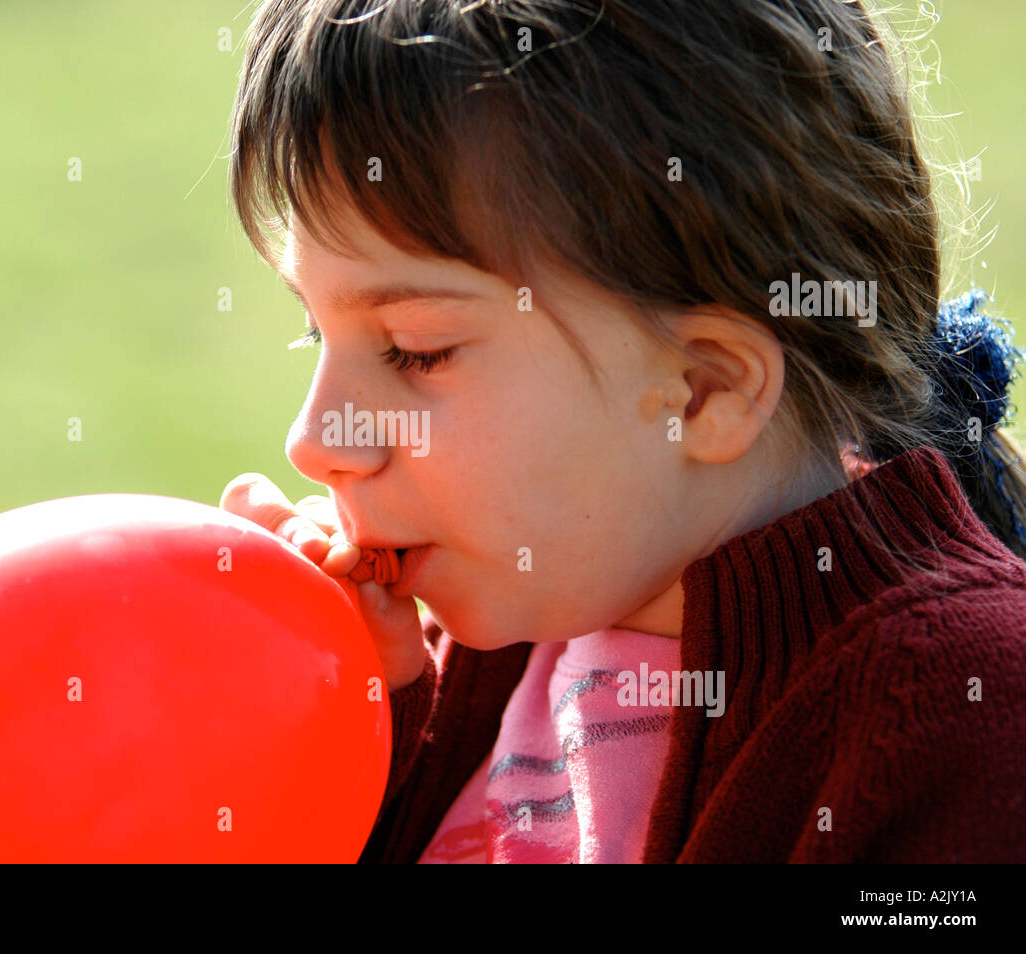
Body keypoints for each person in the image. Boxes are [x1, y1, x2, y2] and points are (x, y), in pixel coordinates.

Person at [220, 0, 1026, 862]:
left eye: (418, 351)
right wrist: (352, 737)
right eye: (316, 330)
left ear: (704, 391)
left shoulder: (964, 720)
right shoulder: (528, 613)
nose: (312, 439)